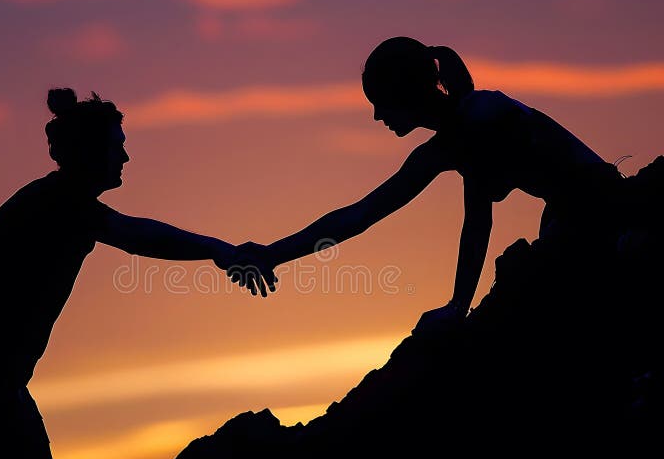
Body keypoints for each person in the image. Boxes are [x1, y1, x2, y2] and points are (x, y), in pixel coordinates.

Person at [0, 88, 256, 459]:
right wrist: (219, 250)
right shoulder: (61, 203)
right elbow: (139, 236)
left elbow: (134, 232)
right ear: (91, 152)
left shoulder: (57, 200)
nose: (127, 156)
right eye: (118, 146)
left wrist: (220, 251)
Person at [230, 36, 627, 333]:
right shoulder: (448, 141)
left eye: (379, 101)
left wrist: (458, 306)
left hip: (601, 209)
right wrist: (272, 254)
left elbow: (477, 222)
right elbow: (360, 215)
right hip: (573, 215)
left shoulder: (478, 119)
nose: (375, 116)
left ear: (403, 93)